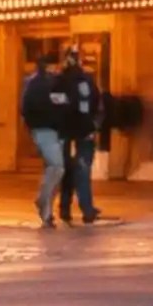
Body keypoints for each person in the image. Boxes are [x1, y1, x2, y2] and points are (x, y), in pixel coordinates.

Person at [57, 47, 103, 225]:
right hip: (84, 132)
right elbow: (98, 105)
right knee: (83, 171)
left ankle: (65, 208)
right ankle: (87, 208)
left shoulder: (60, 81)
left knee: (67, 171)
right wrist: (93, 126)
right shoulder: (87, 81)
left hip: (65, 133)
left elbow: (57, 107)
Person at [22, 55, 65, 228]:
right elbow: (61, 104)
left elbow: (25, 109)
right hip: (48, 130)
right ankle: (42, 200)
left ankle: (46, 211)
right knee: (57, 167)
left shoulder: (32, 84)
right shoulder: (49, 84)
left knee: (53, 169)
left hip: (43, 130)